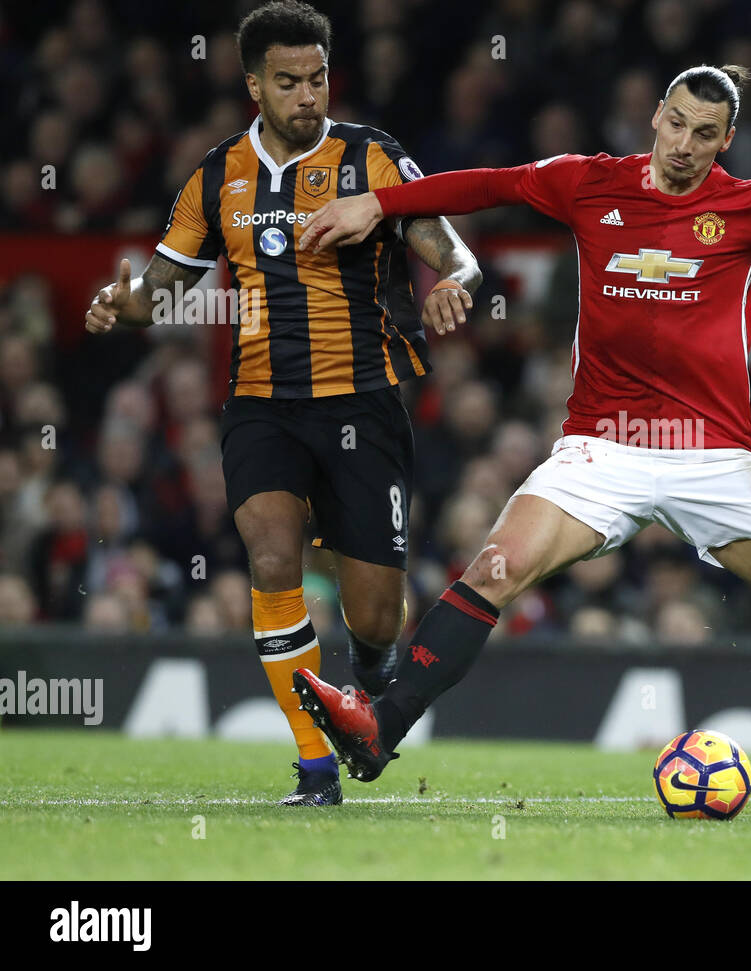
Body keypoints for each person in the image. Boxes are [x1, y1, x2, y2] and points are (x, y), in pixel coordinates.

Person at [292, 64, 751, 819]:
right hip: (601, 449)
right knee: (496, 564)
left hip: (714, 457)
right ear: (655, 115)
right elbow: (486, 185)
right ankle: (379, 729)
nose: (684, 144)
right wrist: (376, 203)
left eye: (704, 133)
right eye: (675, 123)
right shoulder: (587, 183)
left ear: (727, 139)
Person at [84, 0, 481, 807]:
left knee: (374, 617)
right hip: (262, 405)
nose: (309, 95)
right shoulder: (214, 175)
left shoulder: (372, 158)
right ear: (254, 86)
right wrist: (119, 305)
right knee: (271, 555)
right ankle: (313, 767)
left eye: (319, 79)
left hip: (363, 404)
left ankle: (370, 681)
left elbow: (450, 248)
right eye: (290, 82)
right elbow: (162, 291)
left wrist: (458, 285)